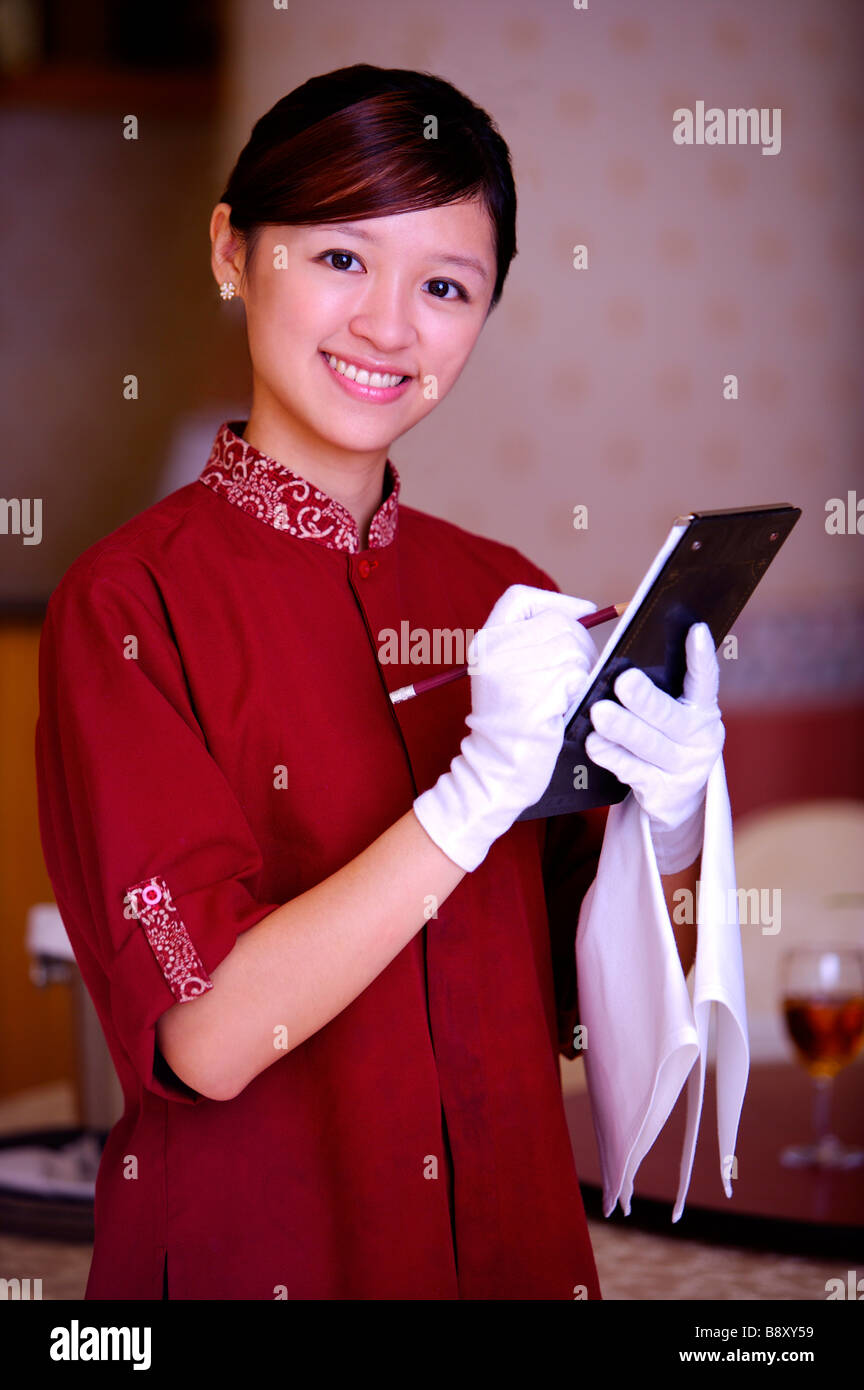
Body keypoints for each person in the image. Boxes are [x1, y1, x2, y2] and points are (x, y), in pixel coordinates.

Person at [34, 63, 724, 1301]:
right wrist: (467, 803)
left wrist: (670, 830)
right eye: (342, 259)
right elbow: (210, 1037)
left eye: (445, 286)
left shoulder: (512, 600)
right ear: (234, 252)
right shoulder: (127, 607)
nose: (389, 327)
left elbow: (594, 1008)